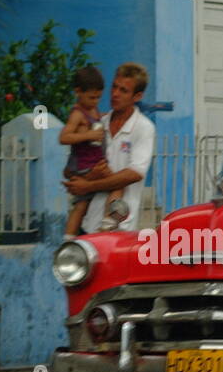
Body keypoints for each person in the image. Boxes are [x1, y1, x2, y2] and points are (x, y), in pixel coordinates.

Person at [64, 62, 155, 233]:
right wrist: (87, 176)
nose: (115, 94)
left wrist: (90, 185)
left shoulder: (144, 127)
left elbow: (134, 173)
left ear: (137, 96)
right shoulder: (98, 123)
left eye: (123, 91)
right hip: (87, 223)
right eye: (114, 87)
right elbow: (72, 168)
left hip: (119, 225)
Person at [59, 66, 121, 239]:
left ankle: (71, 238)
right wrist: (88, 135)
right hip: (84, 166)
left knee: (82, 204)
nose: (95, 101)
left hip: (94, 162)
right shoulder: (77, 114)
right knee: (117, 184)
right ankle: (108, 223)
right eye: (91, 97)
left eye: (98, 97)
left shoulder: (92, 110)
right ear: (78, 91)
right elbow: (64, 137)